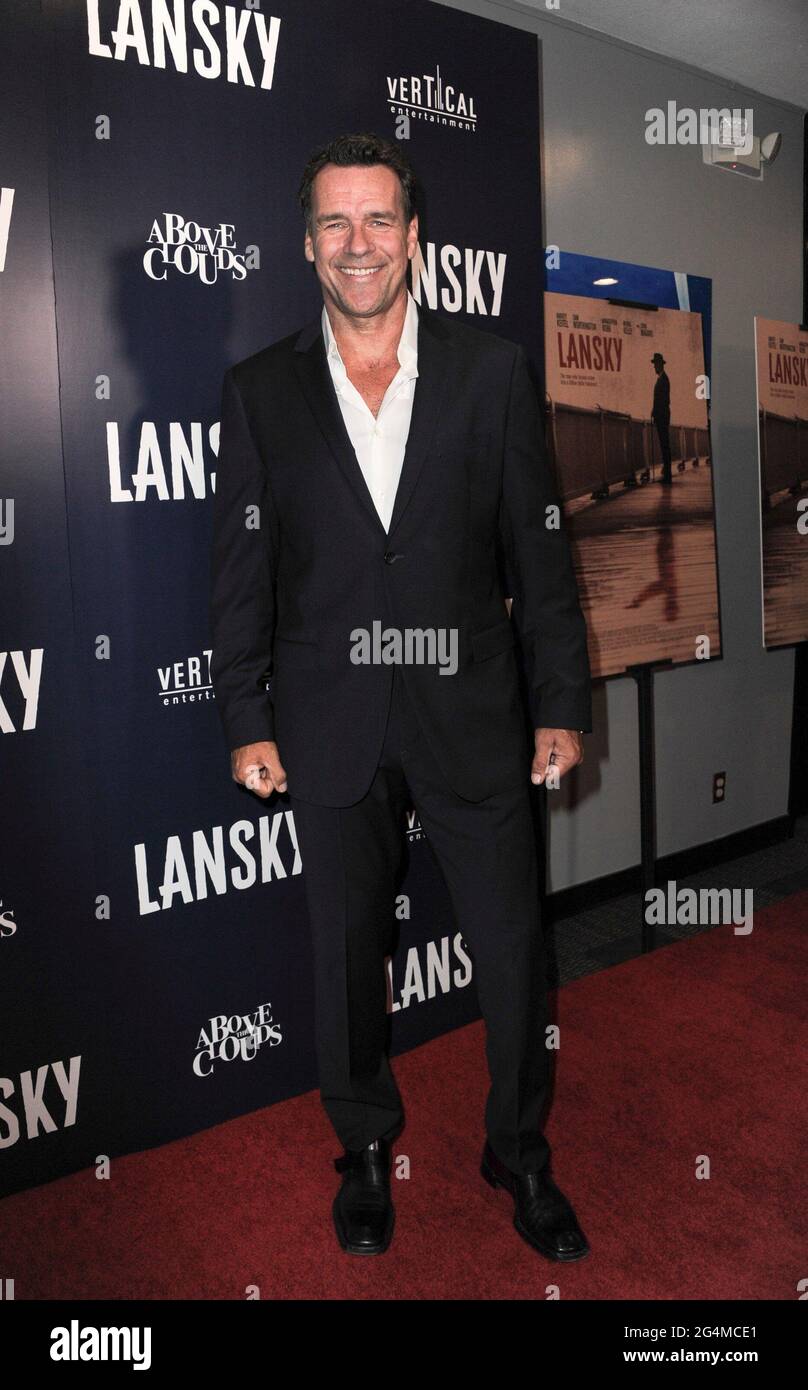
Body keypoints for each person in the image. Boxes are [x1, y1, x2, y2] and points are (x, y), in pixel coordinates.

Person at [209, 132, 593, 1262]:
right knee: (343, 965)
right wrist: (247, 717)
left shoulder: (491, 371)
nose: (358, 243)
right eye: (335, 222)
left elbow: (543, 556)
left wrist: (558, 700)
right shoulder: (260, 392)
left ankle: (517, 1152)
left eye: (379, 219)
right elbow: (242, 573)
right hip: (328, 726)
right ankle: (366, 1149)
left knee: (517, 954)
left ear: (414, 237)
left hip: (473, 715)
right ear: (306, 244)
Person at [651, 352, 673, 484]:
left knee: (665, 445)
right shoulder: (662, 379)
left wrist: (656, 411)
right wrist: (654, 410)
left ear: (660, 365)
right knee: (665, 444)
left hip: (662, 416)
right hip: (662, 415)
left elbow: (663, 400)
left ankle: (667, 475)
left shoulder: (663, 380)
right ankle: (667, 472)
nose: (654, 367)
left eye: (655, 364)